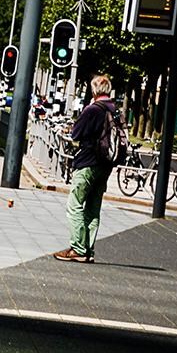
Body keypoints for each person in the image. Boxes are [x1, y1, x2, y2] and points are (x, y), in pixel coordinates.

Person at [54, 74, 121, 263]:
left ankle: (77, 248)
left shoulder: (93, 110)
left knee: (75, 204)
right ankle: (88, 249)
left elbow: (76, 134)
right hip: (106, 165)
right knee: (93, 207)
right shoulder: (116, 110)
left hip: (88, 162)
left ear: (94, 91)